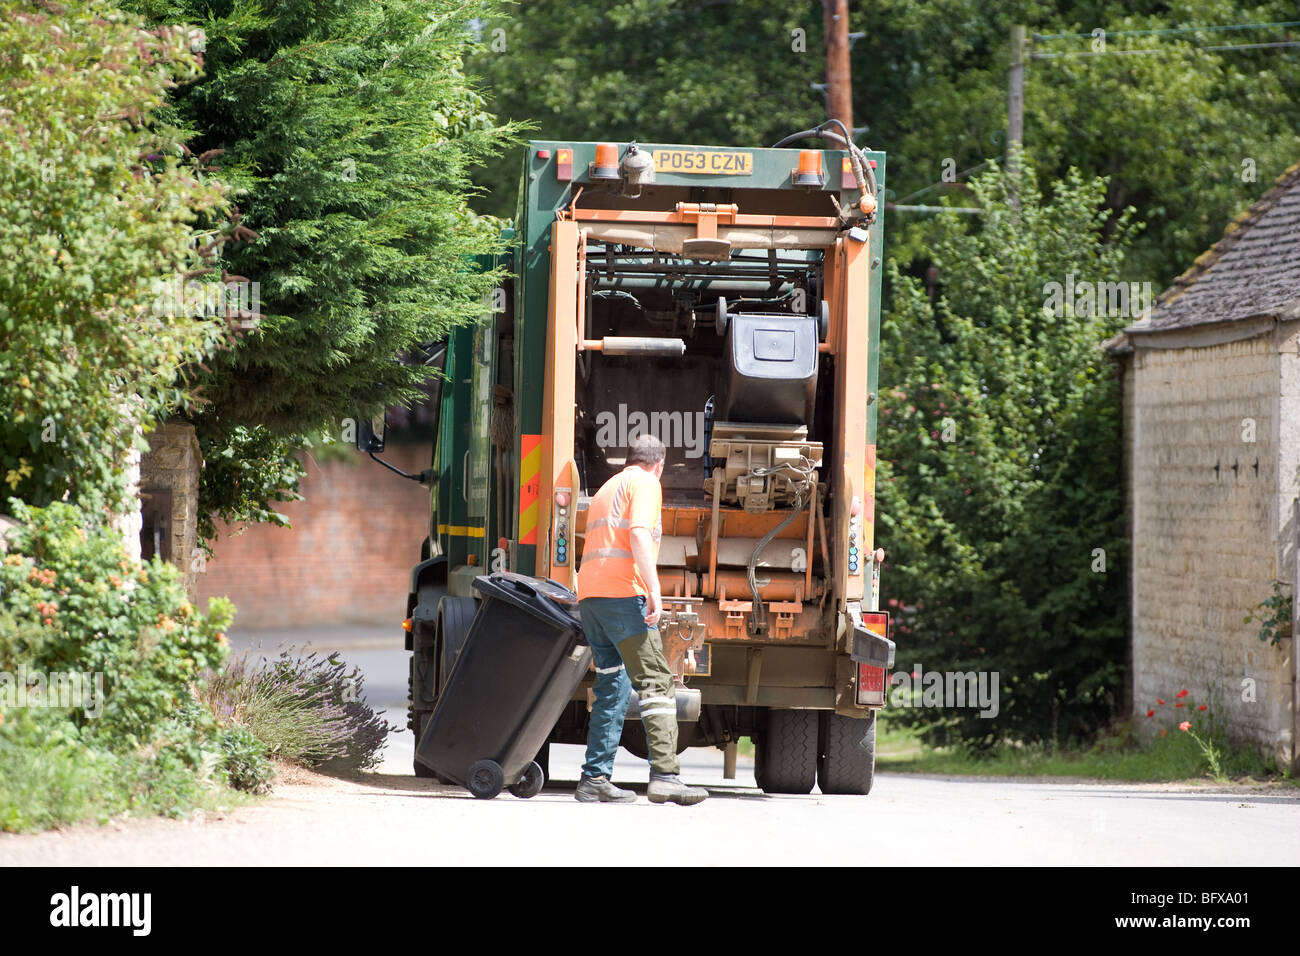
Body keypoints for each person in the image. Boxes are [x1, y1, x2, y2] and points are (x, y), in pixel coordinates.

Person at [573, 433, 708, 805]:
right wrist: (654, 589)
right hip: (622, 595)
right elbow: (638, 534)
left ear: (630, 458)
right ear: (659, 465)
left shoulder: (608, 487)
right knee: (657, 681)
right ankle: (665, 775)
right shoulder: (646, 482)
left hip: (592, 597)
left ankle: (594, 779)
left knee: (612, 687)